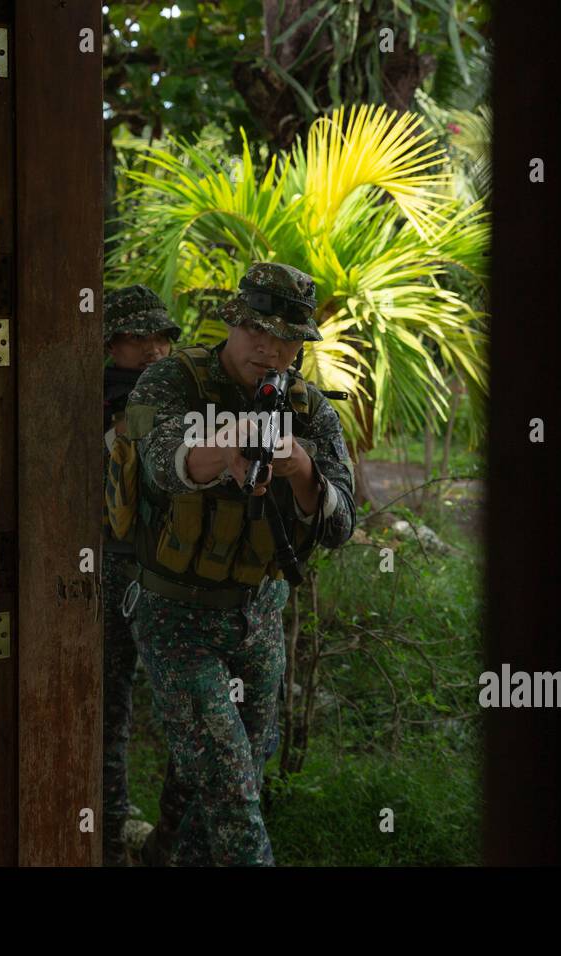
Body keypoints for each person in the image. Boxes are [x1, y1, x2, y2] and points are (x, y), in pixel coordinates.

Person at [121, 263, 357, 866]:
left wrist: (300, 468)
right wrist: (227, 447)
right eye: (257, 331)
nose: (269, 348)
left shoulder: (309, 412)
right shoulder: (171, 380)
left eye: (286, 339)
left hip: (258, 622)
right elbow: (159, 461)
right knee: (232, 797)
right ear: (233, 325)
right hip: (177, 618)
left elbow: (340, 525)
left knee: (217, 788)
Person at [100, 285, 179, 866]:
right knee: (112, 704)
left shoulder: (178, 393)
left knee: (189, 711)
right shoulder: (103, 398)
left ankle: (168, 841)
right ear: (111, 345)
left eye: (160, 338)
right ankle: (110, 826)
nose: (152, 350)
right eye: (137, 339)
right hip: (113, 566)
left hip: (167, 570)